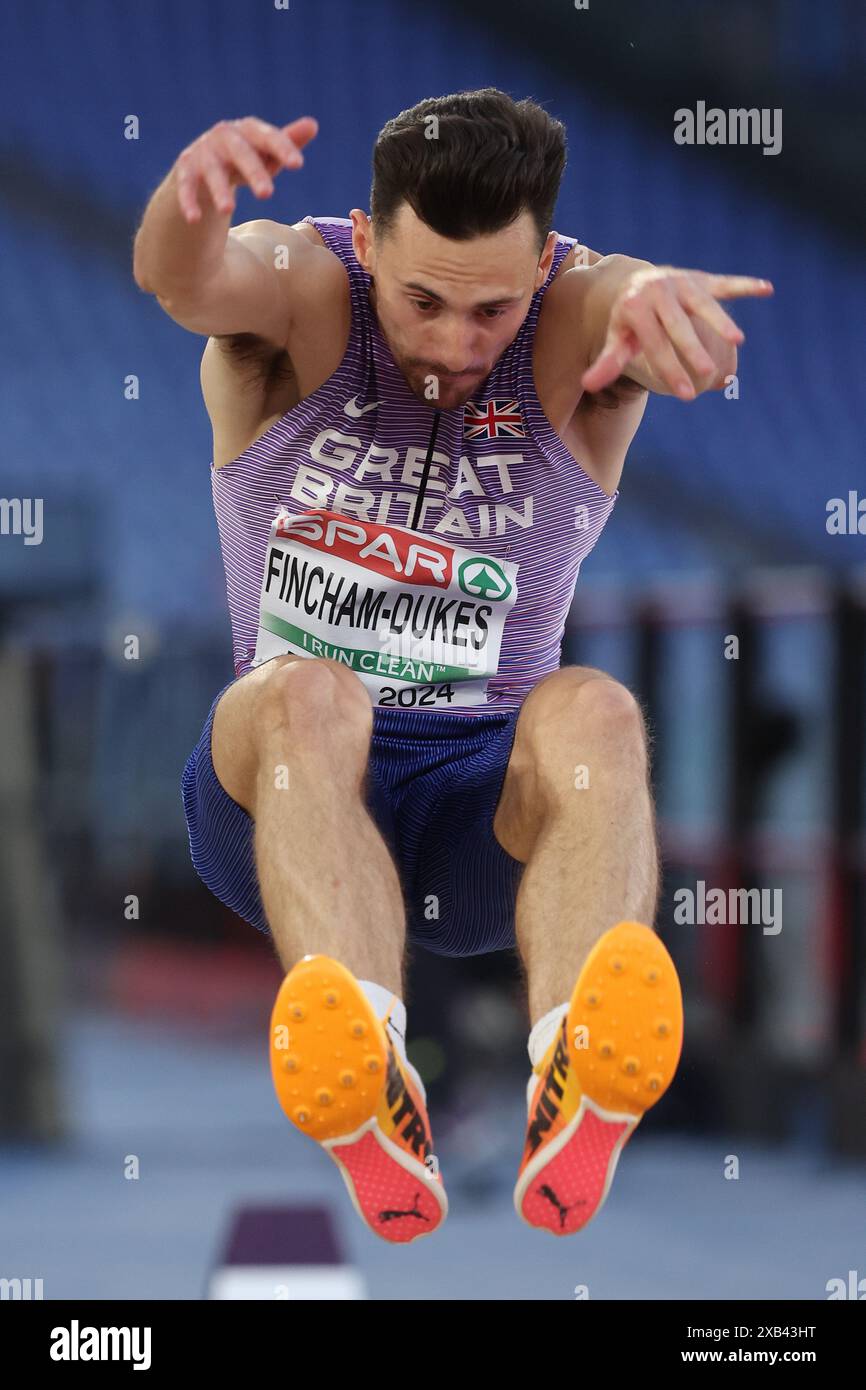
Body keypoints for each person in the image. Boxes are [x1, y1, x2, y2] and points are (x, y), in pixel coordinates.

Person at [132, 87, 772, 1243]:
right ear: (367, 241)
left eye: (493, 311)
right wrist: (187, 201)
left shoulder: (576, 328)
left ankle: (576, 1066)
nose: (453, 344)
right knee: (305, 691)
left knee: (595, 708)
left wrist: (653, 298)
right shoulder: (305, 295)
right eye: (422, 299)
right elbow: (187, 280)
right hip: (283, 797)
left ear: (539, 271)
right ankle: (362, 1059)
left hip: (483, 826)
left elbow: (615, 288)